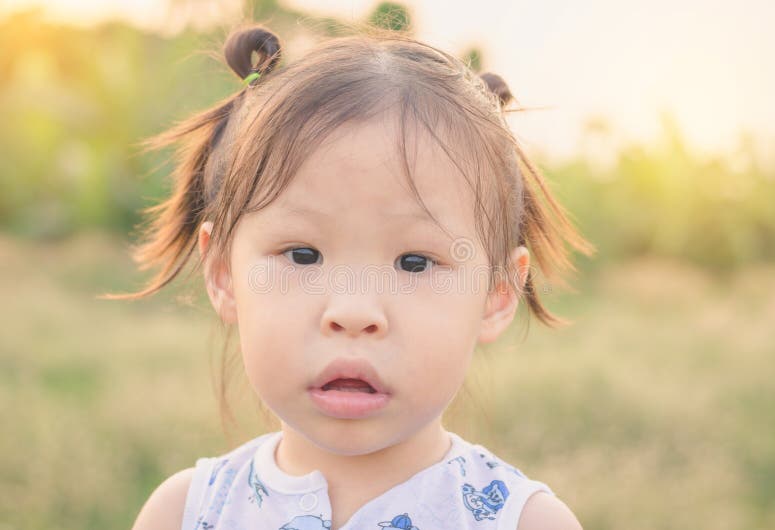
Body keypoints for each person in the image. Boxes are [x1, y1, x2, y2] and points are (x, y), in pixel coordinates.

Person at [117, 21, 593, 530]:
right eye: (302, 255)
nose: (353, 312)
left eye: (414, 262)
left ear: (496, 293)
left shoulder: (521, 523)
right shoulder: (185, 513)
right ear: (223, 273)